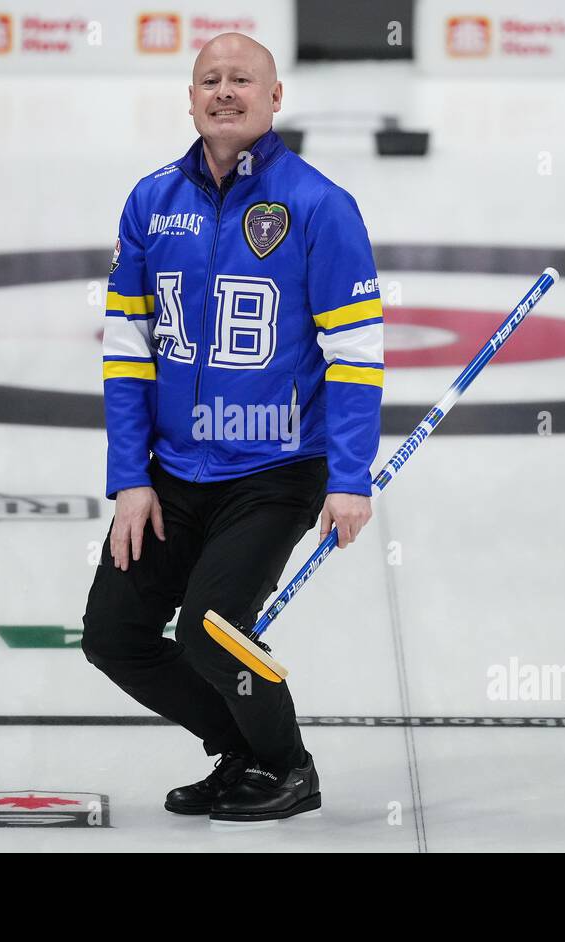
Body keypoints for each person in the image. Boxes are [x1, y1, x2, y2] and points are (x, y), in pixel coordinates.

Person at [81, 31, 383, 822]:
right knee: (116, 634)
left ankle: (287, 766)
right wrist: (130, 478)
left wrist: (348, 478)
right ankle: (241, 752)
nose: (225, 91)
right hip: (173, 471)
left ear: (274, 98)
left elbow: (354, 355)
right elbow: (126, 349)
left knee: (213, 629)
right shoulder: (151, 201)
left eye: (242, 80)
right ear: (190, 99)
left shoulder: (320, 205)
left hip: (276, 469)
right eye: (209, 80)